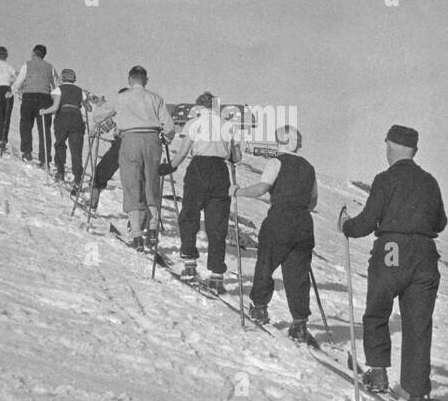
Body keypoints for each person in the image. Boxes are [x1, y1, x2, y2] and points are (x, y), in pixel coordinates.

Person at [340, 125, 446, 401]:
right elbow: (440, 223)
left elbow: (366, 222)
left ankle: (378, 373)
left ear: (390, 147)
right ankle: (417, 395)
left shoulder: (385, 179)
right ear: (414, 150)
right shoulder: (429, 182)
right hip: (425, 256)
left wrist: (345, 225)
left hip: (391, 252)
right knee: (418, 324)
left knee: (377, 311)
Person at [235, 125, 317, 332]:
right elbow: (313, 201)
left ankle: (260, 308)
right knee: (298, 273)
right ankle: (300, 323)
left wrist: (238, 191)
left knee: (266, 262)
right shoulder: (309, 167)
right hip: (304, 222)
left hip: (280, 218)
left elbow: (262, 188)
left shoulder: (276, 161)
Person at [166, 92, 242, 295]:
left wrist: (169, 167)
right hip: (220, 172)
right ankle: (217, 275)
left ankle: (190, 263)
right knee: (217, 225)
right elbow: (237, 157)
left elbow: (183, 152)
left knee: (190, 215)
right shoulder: (228, 126)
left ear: (200, 106)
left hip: (199, 168)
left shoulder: (194, 123)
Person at [90, 67, 175, 247]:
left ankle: (136, 234)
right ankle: (152, 228)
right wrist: (165, 138)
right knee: (151, 183)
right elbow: (169, 128)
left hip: (129, 140)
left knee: (131, 184)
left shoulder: (121, 97)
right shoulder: (155, 98)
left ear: (129, 80)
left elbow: (98, 116)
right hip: (153, 141)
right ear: (146, 80)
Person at [12, 44, 58, 164]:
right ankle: (45, 158)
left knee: (26, 124)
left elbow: (19, 81)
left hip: (29, 96)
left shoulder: (27, 64)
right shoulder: (50, 67)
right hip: (44, 98)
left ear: (33, 53)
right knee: (44, 129)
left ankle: (27, 152)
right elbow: (56, 86)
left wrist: (13, 91)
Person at [87, 89, 129, 212]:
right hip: (139, 146)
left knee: (100, 173)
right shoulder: (141, 110)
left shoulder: (121, 109)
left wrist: (95, 131)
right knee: (136, 181)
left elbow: (109, 122)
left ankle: (92, 203)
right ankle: (140, 218)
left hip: (121, 145)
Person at [49, 68, 87, 186]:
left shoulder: (58, 90)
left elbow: (55, 108)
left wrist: (44, 111)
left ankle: (60, 172)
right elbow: (88, 107)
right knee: (76, 149)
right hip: (76, 119)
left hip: (62, 117)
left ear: (63, 78)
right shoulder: (80, 91)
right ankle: (78, 177)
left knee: (60, 144)